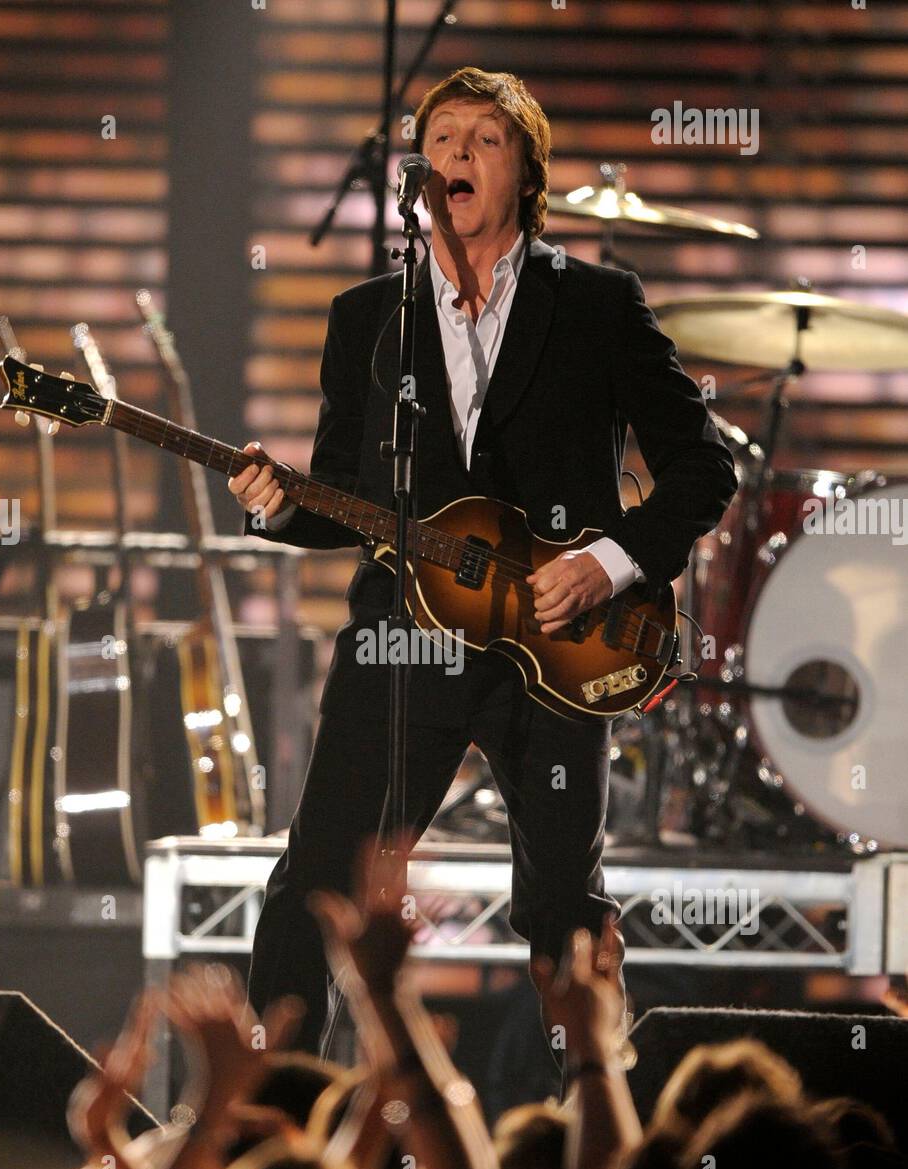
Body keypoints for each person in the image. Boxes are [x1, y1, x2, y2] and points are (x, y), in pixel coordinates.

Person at [229, 66, 737, 1058]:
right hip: (405, 644)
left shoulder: (595, 305)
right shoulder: (370, 316)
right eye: (442, 135)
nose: (457, 152)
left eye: (485, 139)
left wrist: (611, 559)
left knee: (561, 906)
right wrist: (279, 510)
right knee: (313, 889)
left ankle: (592, 1138)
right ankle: (278, 1138)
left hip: (561, 646)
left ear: (527, 174)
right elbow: (349, 501)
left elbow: (701, 468)